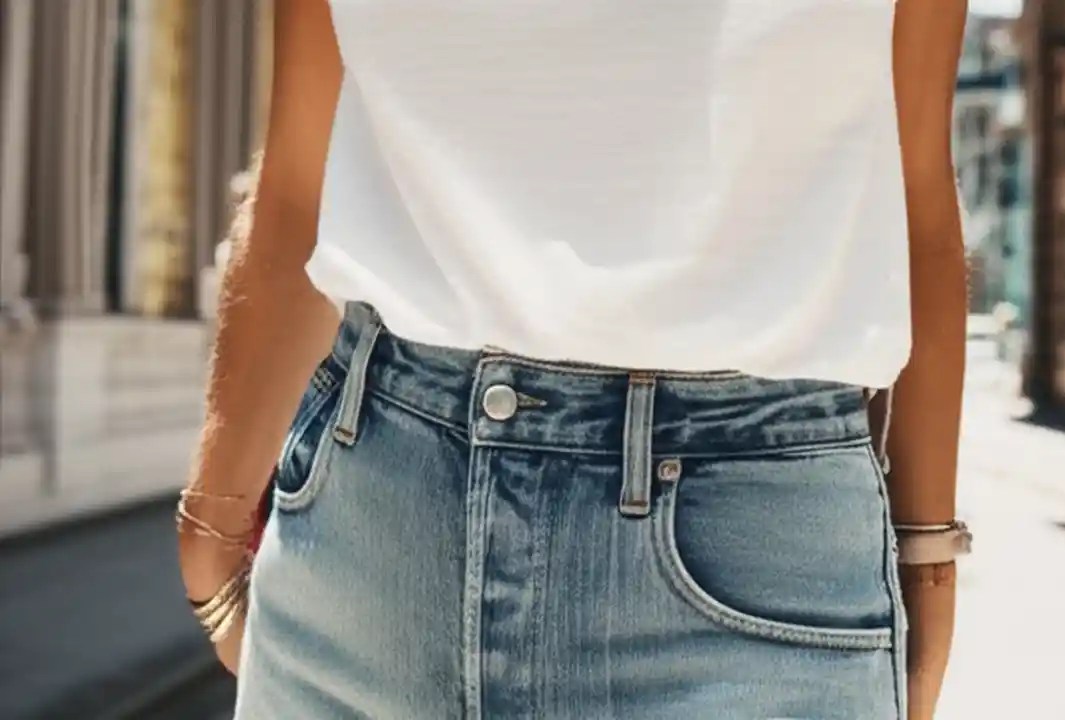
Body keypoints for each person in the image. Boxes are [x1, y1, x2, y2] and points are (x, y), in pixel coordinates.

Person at [178, 0, 970, 717]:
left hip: (410, 520)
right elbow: (917, 192)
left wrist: (211, 524)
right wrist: (927, 555)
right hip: (384, 539)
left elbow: (296, 190)